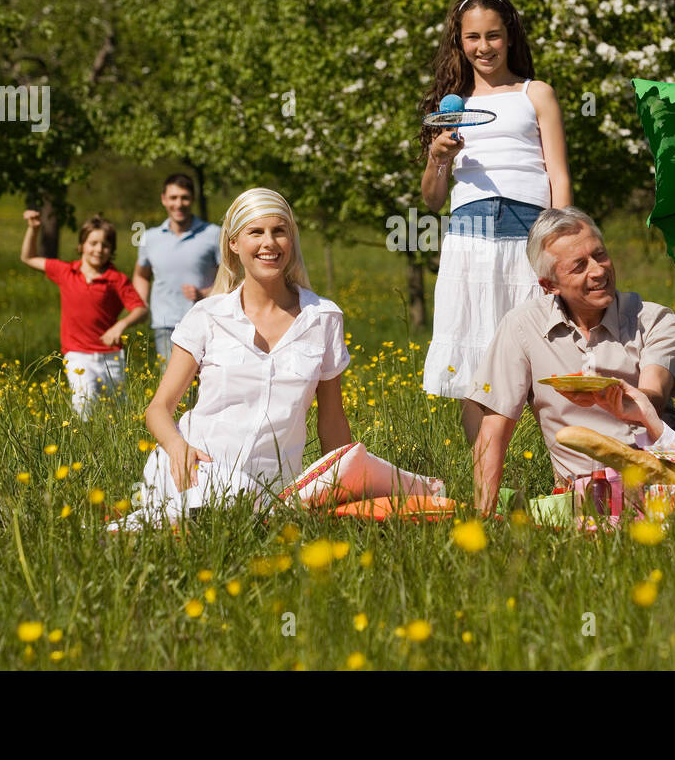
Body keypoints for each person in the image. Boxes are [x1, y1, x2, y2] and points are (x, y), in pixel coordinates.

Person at [121, 188, 439, 528]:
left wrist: (346, 479)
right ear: (233, 243)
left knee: (251, 506)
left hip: (273, 490)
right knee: (225, 502)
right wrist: (176, 446)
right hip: (195, 471)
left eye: (279, 231)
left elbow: (331, 420)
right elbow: (159, 408)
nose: (269, 243)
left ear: (292, 239)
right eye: (255, 232)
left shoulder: (323, 318)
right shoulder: (207, 316)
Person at [420, 0, 572, 445]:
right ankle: (484, 472)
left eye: (493, 35)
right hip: (471, 241)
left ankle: (546, 463)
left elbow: (559, 177)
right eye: (472, 38)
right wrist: (438, 155)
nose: (483, 47)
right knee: (476, 358)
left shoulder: (536, 93)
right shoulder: (452, 104)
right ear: (458, 42)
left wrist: (561, 244)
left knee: (537, 350)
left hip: (530, 239)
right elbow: (432, 199)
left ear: (509, 36)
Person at [466, 207, 675, 515]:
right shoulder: (522, 327)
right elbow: (494, 426)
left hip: (657, 484)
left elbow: (655, 397)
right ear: (550, 285)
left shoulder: (653, 319)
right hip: (578, 495)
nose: (598, 270)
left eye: (600, 255)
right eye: (579, 266)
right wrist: (481, 516)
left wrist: (624, 402)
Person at [21, 210, 147, 419]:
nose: (99, 249)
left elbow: (141, 310)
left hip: (111, 356)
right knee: (84, 403)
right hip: (77, 354)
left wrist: (120, 326)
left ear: (111, 250)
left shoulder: (116, 279)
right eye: (93, 243)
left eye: (105, 245)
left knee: (117, 413)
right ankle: (85, 447)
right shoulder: (65, 271)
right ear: (81, 246)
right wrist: (33, 229)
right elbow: (28, 257)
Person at [132, 174, 222, 370]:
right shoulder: (149, 237)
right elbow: (141, 275)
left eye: (184, 197)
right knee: (173, 389)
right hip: (164, 324)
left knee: (204, 385)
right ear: (164, 199)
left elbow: (231, 277)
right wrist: (141, 304)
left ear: (192, 199)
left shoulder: (214, 234)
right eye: (173, 198)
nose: (179, 204)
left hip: (205, 321)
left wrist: (205, 293)